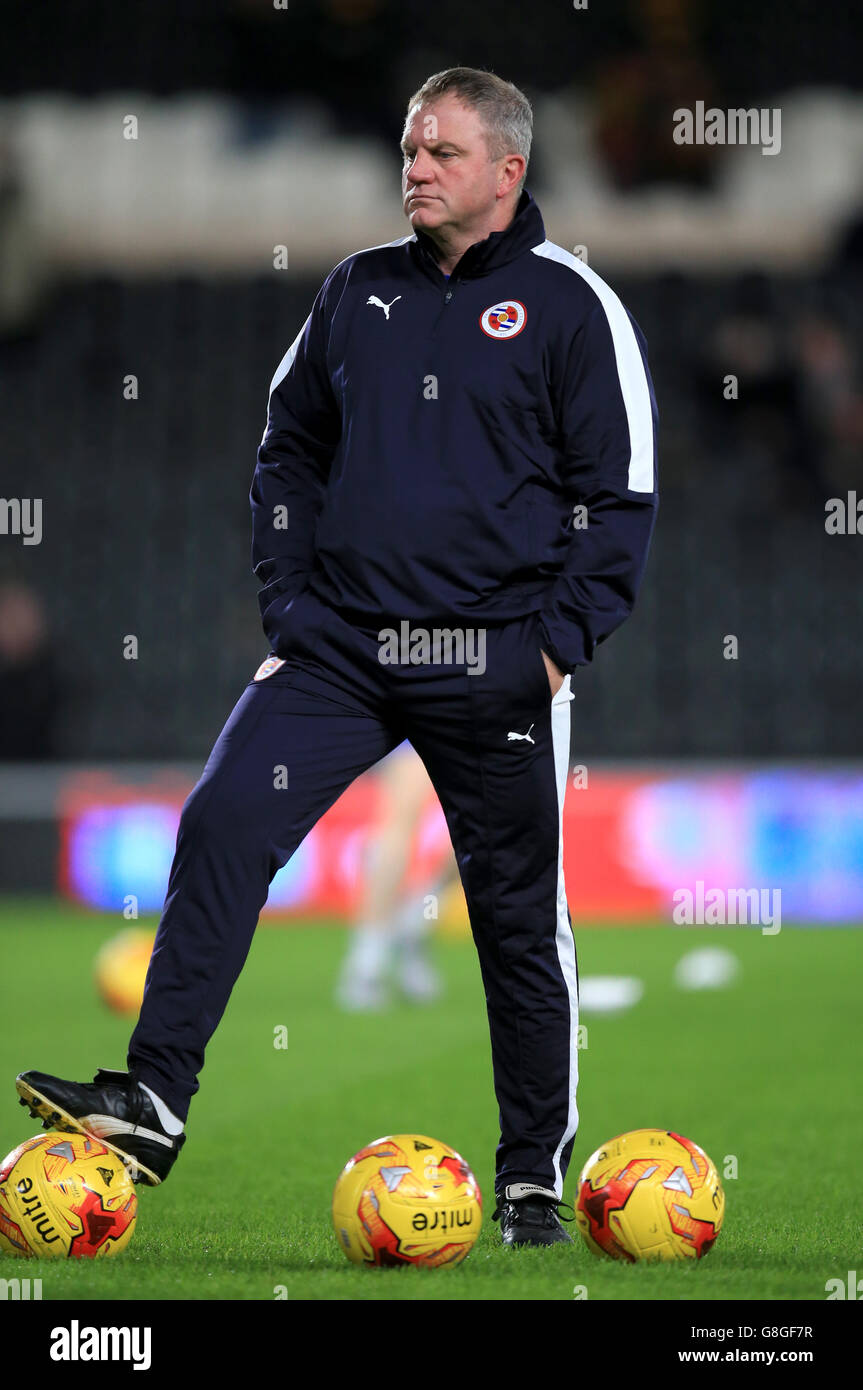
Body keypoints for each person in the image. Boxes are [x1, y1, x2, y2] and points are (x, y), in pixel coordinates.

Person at [16, 66, 658, 1248]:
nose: (412, 167)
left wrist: (551, 656)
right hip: (341, 655)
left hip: (493, 664)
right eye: (410, 149)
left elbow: (617, 504)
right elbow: (284, 457)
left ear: (507, 172)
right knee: (219, 825)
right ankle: (154, 1101)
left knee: (518, 925)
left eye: (440, 152)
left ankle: (528, 1184)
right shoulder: (354, 291)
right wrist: (291, 612)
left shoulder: (574, 308)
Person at [335, 739, 454, 1012]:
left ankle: (413, 922)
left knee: (484, 830)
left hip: (480, 711)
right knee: (401, 817)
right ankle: (368, 960)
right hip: (421, 708)